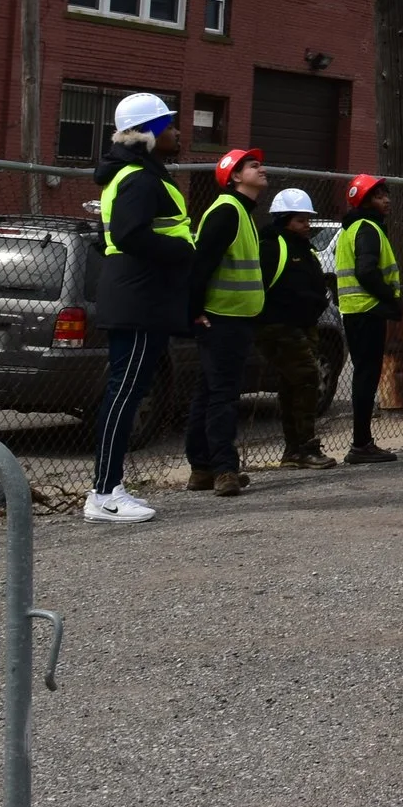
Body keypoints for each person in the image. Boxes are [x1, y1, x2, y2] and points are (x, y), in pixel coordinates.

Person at [87, 92, 191, 525]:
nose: (177, 131)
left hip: (140, 294)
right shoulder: (139, 178)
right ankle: (105, 492)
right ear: (147, 133)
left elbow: (108, 236)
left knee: (127, 392)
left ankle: (109, 488)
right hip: (138, 297)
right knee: (124, 394)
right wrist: (185, 251)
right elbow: (129, 235)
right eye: (168, 125)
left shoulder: (137, 174)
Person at [184, 147, 267, 497]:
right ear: (234, 176)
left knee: (209, 392)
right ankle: (223, 470)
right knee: (223, 396)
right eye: (252, 165)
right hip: (222, 319)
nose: (261, 169)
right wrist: (195, 309)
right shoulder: (227, 212)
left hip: (234, 318)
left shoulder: (243, 213)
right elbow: (199, 263)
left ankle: (202, 468)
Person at [256, 188, 334, 469]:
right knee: (307, 378)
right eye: (301, 220)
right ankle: (304, 446)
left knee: (294, 384)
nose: (307, 225)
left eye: (307, 219)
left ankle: (294, 450)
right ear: (285, 219)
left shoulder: (303, 247)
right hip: (279, 325)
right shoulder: (272, 245)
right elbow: (265, 286)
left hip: (304, 325)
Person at [333, 174, 403, 464]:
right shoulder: (367, 228)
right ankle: (361, 444)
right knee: (366, 375)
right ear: (364, 201)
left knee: (365, 373)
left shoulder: (353, 228)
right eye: (378, 195)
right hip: (367, 310)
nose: (386, 200)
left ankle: (362, 442)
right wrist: (390, 298)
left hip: (356, 311)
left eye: (386, 194)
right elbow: (366, 270)